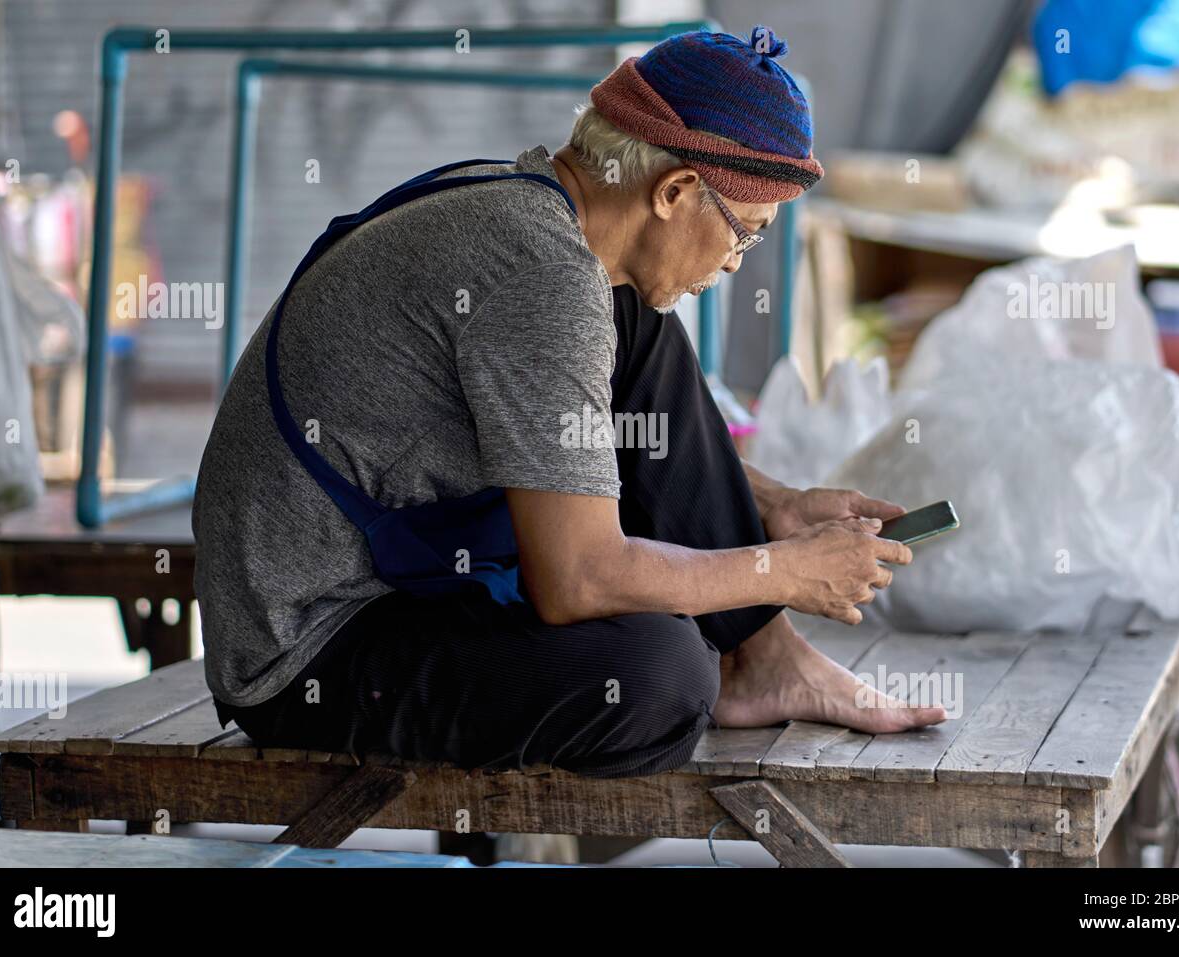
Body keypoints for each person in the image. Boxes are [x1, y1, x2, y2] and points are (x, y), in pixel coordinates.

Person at [193, 25, 946, 781]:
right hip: (309, 648)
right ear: (676, 190)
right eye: (742, 235)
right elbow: (578, 579)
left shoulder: (529, 208)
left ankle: (766, 655)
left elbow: (571, 438)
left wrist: (770, 507)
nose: (731, 265)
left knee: (637, 322)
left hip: (383, 584)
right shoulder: (541, 280)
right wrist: (779, 569)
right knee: (662, 675)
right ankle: (747, 652)